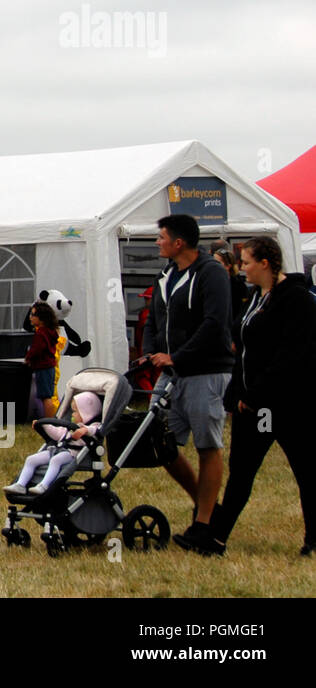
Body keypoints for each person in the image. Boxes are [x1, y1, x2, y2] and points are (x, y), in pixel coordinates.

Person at [202, 236, 316, 556]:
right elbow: (244, 350)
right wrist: (237, 392)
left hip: (288, 405)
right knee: (242, 471)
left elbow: (291, 356)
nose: (242, 268)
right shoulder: (255, 296)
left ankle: (313, 539)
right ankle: (215, 538)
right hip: (254, 406)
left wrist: (254, 394)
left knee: (306, 470)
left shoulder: (296, 300)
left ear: (265, 264)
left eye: (247, 262)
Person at [141, 213, 234, 552]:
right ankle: (206, 506)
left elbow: (214, 323)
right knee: (158, 442)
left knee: (208, 446)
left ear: (178, 242)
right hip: (171, 375)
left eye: (161, 237)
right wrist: (150, 351)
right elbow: (153, 318)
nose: (157, 242)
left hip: (205, 372)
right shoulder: (166, 274)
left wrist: (177, 356)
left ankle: (205, 526)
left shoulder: (212, 274)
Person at [4, 391, 102, 495]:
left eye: (75, 412)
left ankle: (44, 485)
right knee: (31, 459)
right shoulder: (70, 427)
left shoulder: (94, 425)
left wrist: (84, 430)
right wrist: (44, 424)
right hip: (57, 449)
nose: (72, 415)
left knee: (56, 460)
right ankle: (20, 485)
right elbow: (58, 434)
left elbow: (95, 429)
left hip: (72, 454)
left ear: (85, 412)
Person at [24, 302, 64, 415]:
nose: (30, 317)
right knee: (48, 396)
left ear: (42, 318)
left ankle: (49, 422)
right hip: (50, 367)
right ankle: (50, 420)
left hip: (43, 368)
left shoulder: (41, 333)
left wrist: (28, 358)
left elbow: (37, 349)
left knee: (46, 398)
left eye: (33, 315)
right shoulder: (50, 332)